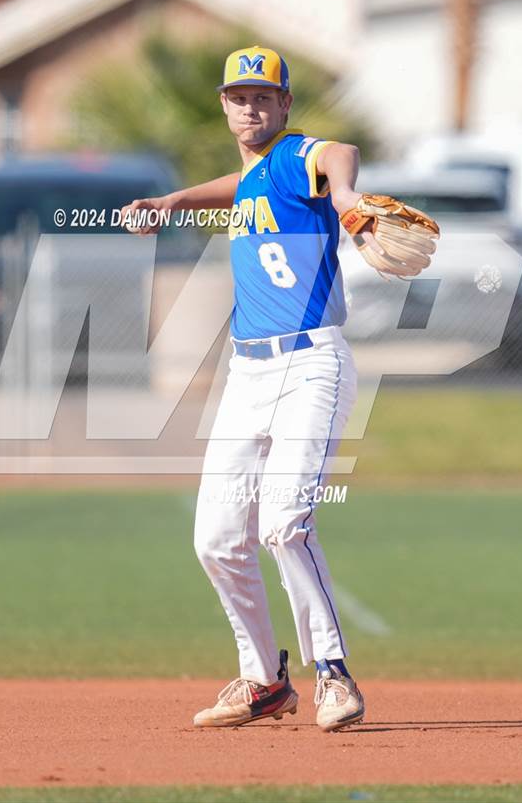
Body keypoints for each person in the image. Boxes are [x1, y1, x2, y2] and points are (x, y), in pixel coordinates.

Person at [121, 45, 384, 732]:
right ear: (224, 104)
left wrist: (350, 198)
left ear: (285, 104)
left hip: (310, 365)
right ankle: (264, 679)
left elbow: (340, 152)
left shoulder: (300, 159)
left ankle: (333, 673)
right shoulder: (257, 177)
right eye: (238, 96)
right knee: (214, 537)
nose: (250, 105)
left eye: (263, 96)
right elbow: (237, 189)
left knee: (283, 523)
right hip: (247, 373)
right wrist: (174, 200)